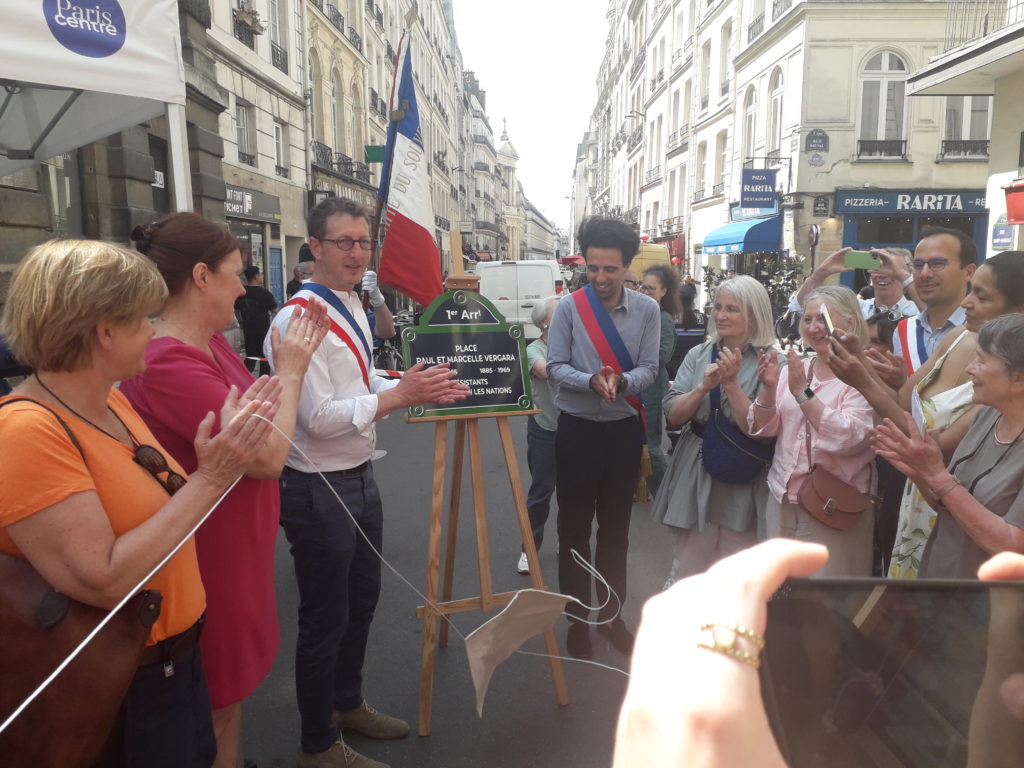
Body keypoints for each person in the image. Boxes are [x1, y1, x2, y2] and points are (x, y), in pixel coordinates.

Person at [0, 238, 275, 768]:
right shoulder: (26, 430)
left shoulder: (109, 399)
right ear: (104, 332)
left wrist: (213, 463)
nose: (153, 330)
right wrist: (213, 476)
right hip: (121, 681)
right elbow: (103, 579)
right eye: (143, 318)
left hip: (171, 663)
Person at [119, 213, 329, 768]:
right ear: (201, 277)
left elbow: (262, 420)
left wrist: (273, 396)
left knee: (227, 701)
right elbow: (268, 457)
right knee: (215, 703)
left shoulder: (212, 345)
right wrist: (291, 371)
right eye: (235, 273)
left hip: (237, 548)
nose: (243, 287)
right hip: (209, 556)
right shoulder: (169, 361)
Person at [267, 197, 469, 768]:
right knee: (324, 619)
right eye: (343, 242)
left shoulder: (351, 302)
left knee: (361, 602)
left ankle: (346, 704)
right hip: (317, 488)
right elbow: (316, 418)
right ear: (315, 247)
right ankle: (316, 745)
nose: (357, 253)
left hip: (358, 476)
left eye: (363, 242)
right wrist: (399, 396)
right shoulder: (298, 320)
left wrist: (405, 381)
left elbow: (361, 380)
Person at [830, 251, 1024, 577]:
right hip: (943, 562)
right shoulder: (984, 402)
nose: (967, 303)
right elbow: (909, 413)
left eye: (981, 296)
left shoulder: (989, 403)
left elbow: (1011, 544)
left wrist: (861, 378)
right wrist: (922, 471)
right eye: (918, 265)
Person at [547, 216, 660, 660]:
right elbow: (555, 365)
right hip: (576, 431)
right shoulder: (569, 308)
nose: (600, 278)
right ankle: (577, 618)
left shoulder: (647, 311)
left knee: (616, 533)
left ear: (627, 266)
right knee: (573, 530)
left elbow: (650, 369)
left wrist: (623, 382)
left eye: (610, 269)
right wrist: (590, 381)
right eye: (593, 268)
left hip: (621, 434)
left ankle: (612, 617)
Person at [872, 313, 1024, 578]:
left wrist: (936, 475)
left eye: (981, 360)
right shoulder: (987, 415)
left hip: (990, 600)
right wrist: (920, 471)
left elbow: (1012, 546)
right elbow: (948, 506)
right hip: (943, 588)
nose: (970, 368)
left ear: (1018, 379)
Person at [651, 275, 776, 587]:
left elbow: (760, 429)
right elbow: (673, 417)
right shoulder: (698, 354)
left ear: (754, 314)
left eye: (732, 309)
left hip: (745, 469)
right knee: (690, 568)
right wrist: (702, 389)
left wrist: (730, 384)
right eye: (718, 307)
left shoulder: (773, 362)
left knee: (738, 573)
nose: (720, 315)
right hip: (697, 464)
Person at [747, 286, 877, 577]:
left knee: (826, 597)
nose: (814, 327)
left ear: (851, 322)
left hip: (834, 504)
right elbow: (763, 429)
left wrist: (802, 395)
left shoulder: (864, 374)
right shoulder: (795, 370)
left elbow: (851, 437)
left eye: (823, 319)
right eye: (808, 319)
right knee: (781, 590)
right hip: (782, 499)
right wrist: (768, 389)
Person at [892, 227, 978, 376]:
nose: (924, 274)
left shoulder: (983, 331)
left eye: (937, 264)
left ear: (968, 272)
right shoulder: (905, 330)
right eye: (918, 265)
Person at [517, 296, 561, 575]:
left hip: (574, 428)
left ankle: (567, 542)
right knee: (541, 491)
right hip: (544, 428)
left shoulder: (574, 345)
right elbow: (545, 372)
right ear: (545, 322)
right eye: (560, 313)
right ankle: (529, 549)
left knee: (572, 491)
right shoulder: (533, 349)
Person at [639, 264, 681, 498]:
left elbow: (662, 355)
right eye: (643, 287)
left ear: (664, 291)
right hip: (637, 387)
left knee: (651, 444)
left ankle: (666, 495)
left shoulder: (663, 318)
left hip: (652, 388)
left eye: (651, 288)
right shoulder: (643, 313)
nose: (645, 292)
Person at [791, 246, 921, 320]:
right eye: (878, 267)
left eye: (892, 269)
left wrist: (906, 278)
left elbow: (932, 320)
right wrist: (821, 272)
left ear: (908, 275)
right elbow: (800, 306)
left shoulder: (918, 311)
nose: (882, 274)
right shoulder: (855, 308)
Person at [235, 265, 279, 375]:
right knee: (264, 358)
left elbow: (237, 309)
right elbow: (275, 309)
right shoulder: (264, 293)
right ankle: (263, 380)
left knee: (250, 357)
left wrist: (241, 322)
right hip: (263, 330)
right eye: (260, 274)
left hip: (248, 330)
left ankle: (243, 377)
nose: (262, 276)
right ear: (256, 276)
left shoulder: (242, 293)